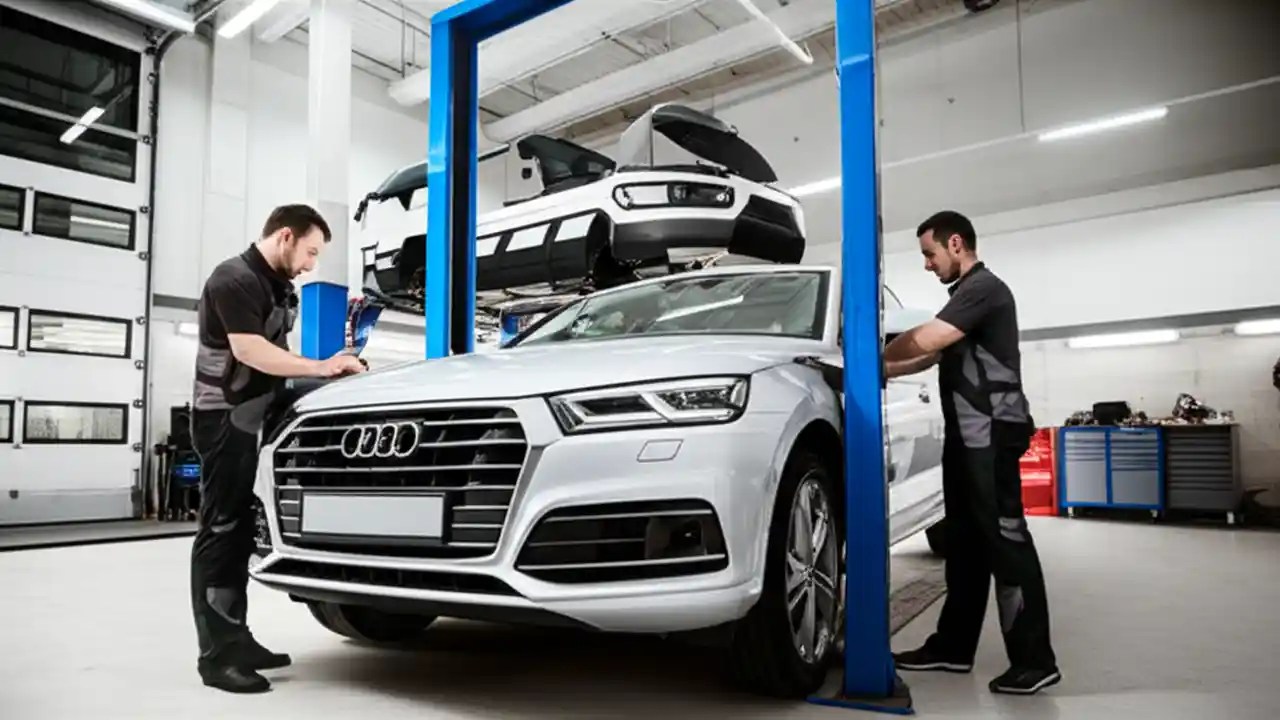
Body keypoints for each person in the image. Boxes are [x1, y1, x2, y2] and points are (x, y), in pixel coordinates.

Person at [189, 204, 366, 694]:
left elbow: (277, 364)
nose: (311, 264)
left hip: (256, 416)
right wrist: (322, 367)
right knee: (221, 528)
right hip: (224, 419)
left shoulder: (276, 286)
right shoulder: (234, 278)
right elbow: (251, 352)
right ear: (285, 237)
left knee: (244, 528)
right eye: (310, 251)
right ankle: (217, 657)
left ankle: (238, 638)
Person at [883, 210, 1060, 696]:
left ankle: (1034, 659)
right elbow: (931, 354)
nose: (926, 264)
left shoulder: (984, 289)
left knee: (1005, 538)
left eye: (929, 253)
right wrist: (883, 372)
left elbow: (927, 337)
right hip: (968, 436)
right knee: (962, 541)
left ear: (955, 243)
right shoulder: (964, 299)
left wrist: (869, 355)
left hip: (992, 436)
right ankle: (953, 647)